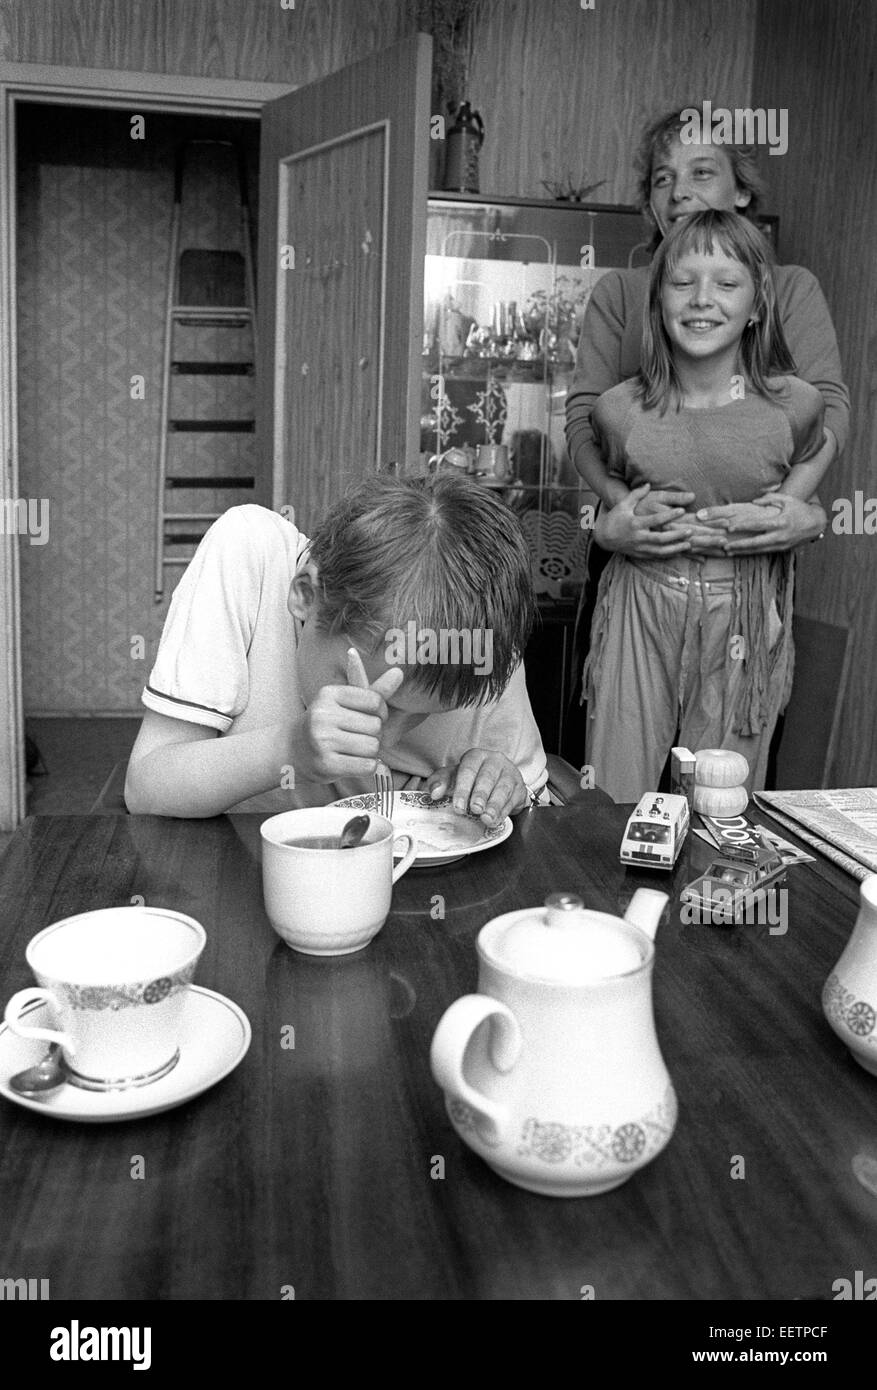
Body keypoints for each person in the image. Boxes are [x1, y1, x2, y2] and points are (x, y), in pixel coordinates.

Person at [565, 106, 849, 740]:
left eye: (701, 171)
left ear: (741, 191)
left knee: (722, 782)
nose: (680, 191)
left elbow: (827, 413)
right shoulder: (620, 293)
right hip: (636, 567)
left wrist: (794, 510)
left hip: (745, 578)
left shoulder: (788, 289)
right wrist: (618, 514)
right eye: (663, 180)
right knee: (617, 779)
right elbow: (585, 421)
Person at [124, 474, 548, 819]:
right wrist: (289, 749)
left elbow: (532, 807)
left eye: (423, 716)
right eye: (383, 702)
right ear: (306, 595)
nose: (384, 738)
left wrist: (500, 787)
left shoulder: (484, 646)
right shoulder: (250, 555)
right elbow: (146, 787)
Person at [583, 209, 826, 801]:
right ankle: (613, 897)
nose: (701, 300)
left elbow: (809, 480)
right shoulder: (619, 410)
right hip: (639, 605)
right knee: (615, 795)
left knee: (721, 798)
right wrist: (609, 524)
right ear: (657, 300)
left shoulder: (795, 405)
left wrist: (811, 518)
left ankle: (708, 897)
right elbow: (610, 492)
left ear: (758, 304)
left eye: (726, 283)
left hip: (742, 606)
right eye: (682, 281)